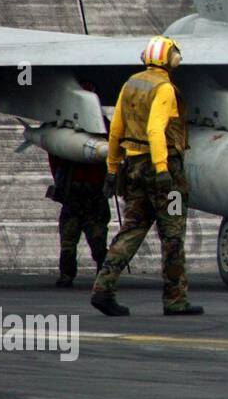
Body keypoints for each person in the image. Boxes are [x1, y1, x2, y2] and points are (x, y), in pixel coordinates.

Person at [91, 35, 202, 316]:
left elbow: (115, 129)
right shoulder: (164, 88)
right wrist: (163, 169)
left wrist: (112, 168)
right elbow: (156, 129)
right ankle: (175, 299)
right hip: (165, 173)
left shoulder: (131, 84)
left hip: (134, 167)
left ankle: (103, 289)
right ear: (169, 58)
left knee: (132, 229)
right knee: (173, 234)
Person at [48, 151, 110, 288]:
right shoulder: (67, 152)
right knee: (68, 243)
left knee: (97, 243)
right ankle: (67, 274)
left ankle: (103, 275)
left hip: (93, 200)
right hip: (74, 200)